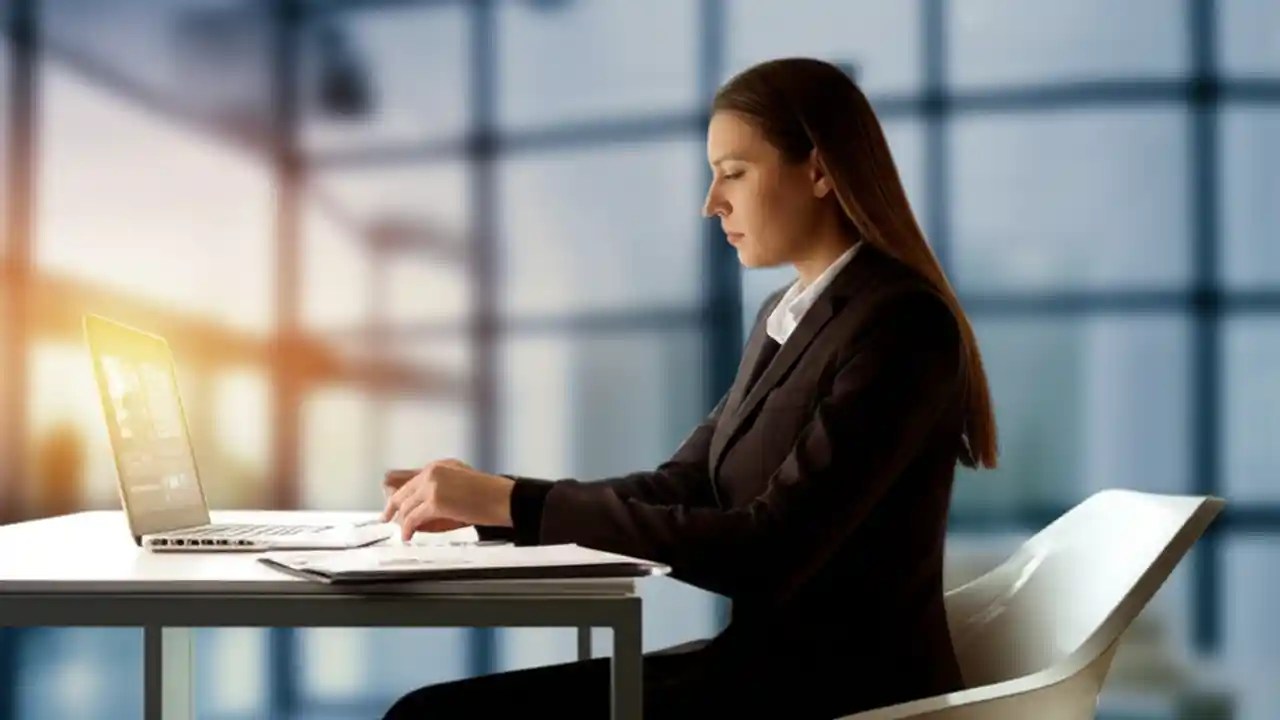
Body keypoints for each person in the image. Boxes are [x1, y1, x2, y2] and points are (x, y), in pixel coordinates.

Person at [379, 57, 999, 719]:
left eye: (734, 172)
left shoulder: (901, 324)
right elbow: (685, 484)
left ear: (819, 171)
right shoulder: (786, 315)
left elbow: (769, 549)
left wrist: (513, 503)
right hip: (757, 670)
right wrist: (499, 500)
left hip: (834, 693)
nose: (712, 203)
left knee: (433, 717)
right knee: (429, 711)